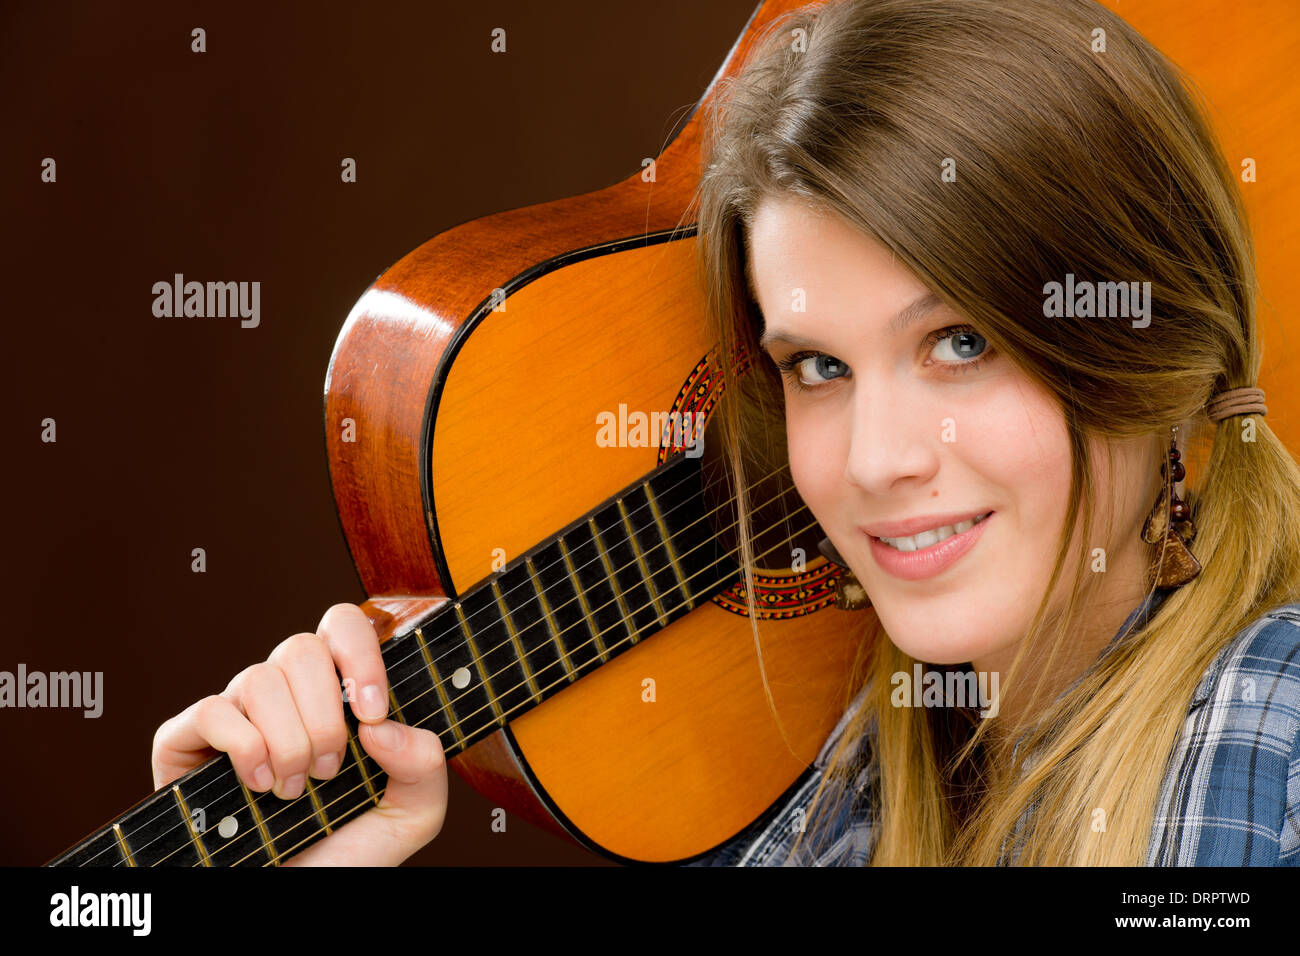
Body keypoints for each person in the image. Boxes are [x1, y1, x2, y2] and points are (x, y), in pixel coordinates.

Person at [152, 0, 1300, 867]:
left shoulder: (1271, 727)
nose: (870, 461)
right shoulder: (848, 789)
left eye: (960, 342)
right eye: (818, 366)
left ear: (1150, 345)